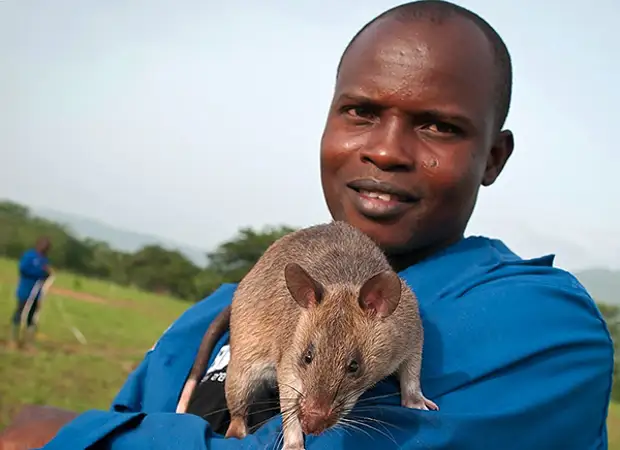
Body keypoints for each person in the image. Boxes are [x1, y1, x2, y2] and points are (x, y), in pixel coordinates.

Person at [33, 1, 613, 449]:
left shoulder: (542, 328)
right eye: (361, 111)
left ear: (492, 158)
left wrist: (61, 435)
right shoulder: (217, 312)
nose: (385, 152)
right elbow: (131, 412)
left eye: (438, 126)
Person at [8, 236, 53, 349]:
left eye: (47, 247)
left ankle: (28, 342)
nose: (45, 248)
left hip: (37, 292)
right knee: (20, 312)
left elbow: (45, 274)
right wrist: (39, 273)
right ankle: (13, 340)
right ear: (38, 244)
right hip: (26, 289)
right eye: (44, 245)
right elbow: (23, 269)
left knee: (32, 316)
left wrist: (47, 275)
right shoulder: (29, 255)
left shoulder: (45, 260)